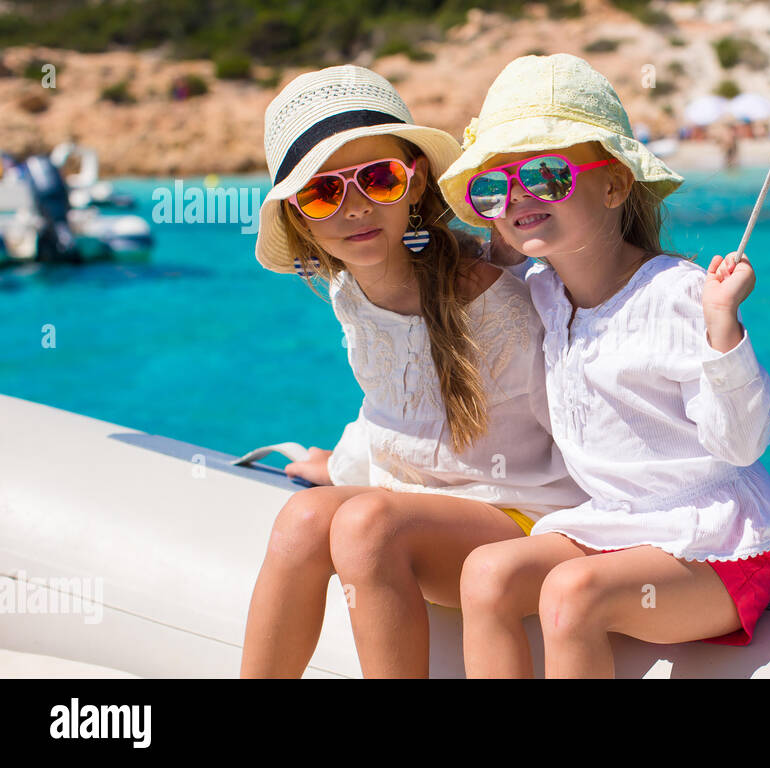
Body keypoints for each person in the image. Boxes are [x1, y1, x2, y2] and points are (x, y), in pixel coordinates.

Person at [437, 54, 770, 678]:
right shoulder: (545, 290)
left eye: (547, 174)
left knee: (571, 593)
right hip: (615, 526)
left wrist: (722, 326)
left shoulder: (678, 295)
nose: (519, 195)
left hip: (718, 545)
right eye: (494, 187)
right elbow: (472, 260)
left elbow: (741, 444)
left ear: (615, 185)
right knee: (488, 572)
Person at [240, 65, 586, 678]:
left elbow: (576, 424)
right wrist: (345, 463)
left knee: (368, 524)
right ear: (299, 216)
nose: (355, 208)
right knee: (300, 519)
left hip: (524, 518)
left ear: (416, 181)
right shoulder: (350, 294)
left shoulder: (493, 304)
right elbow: (392, 412)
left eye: (377, 179)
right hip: (424, 510)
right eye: (324, 193)